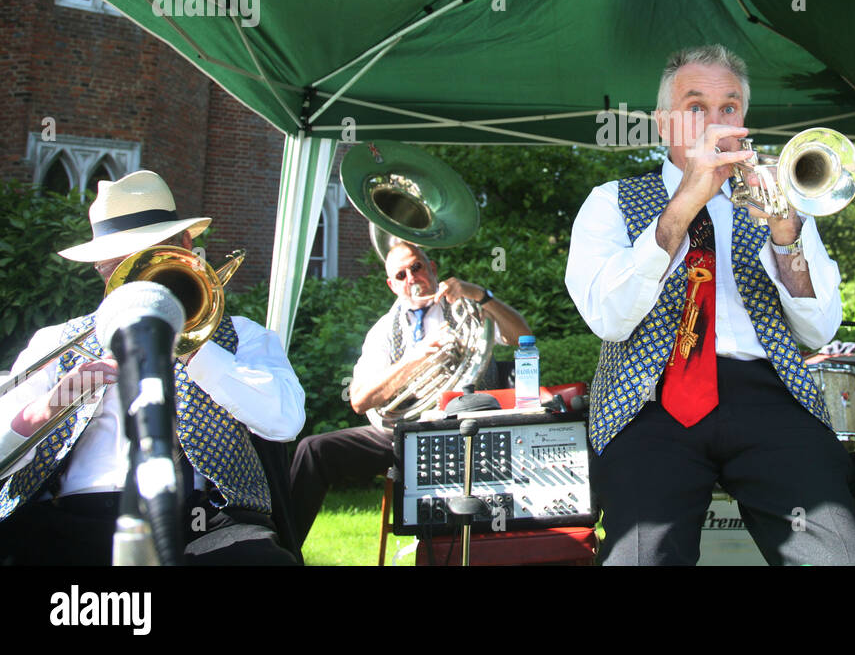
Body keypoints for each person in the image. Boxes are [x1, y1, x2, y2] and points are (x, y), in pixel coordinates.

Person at [565, 44, 855, 565]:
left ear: (744, 120)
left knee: (841, 558)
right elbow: (609, 317)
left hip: (769, 397)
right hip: (650, 401)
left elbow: (818, 330)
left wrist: (786, 236)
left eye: (728, 108)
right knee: (641, 557)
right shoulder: (609, 201)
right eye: (695, 108)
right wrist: (686, 201)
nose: (715, 121)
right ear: (664, 124)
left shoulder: (782, 200)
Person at [0, 170, 305, 565]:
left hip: (203, 520)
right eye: (120, 266)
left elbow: (285, 421)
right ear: (102, 269)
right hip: (76, 518)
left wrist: (197, 350)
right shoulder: (56, 342)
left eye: (151, 257)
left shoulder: (242, 336)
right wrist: (51, 406)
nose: (138, 278)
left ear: (185, 246)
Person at [288, 241, 530, 548]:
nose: (411, 278)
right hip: (403, 435)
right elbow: (360, 400)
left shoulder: (468, 309)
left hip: (468, 431)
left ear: (433, 269)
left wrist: (479, 294)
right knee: (313, 450)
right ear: (392, 285)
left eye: (416, 267)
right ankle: (284, 548)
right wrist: (413, 360)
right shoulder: (383, 330)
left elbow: (524, 337)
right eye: (401, 275)